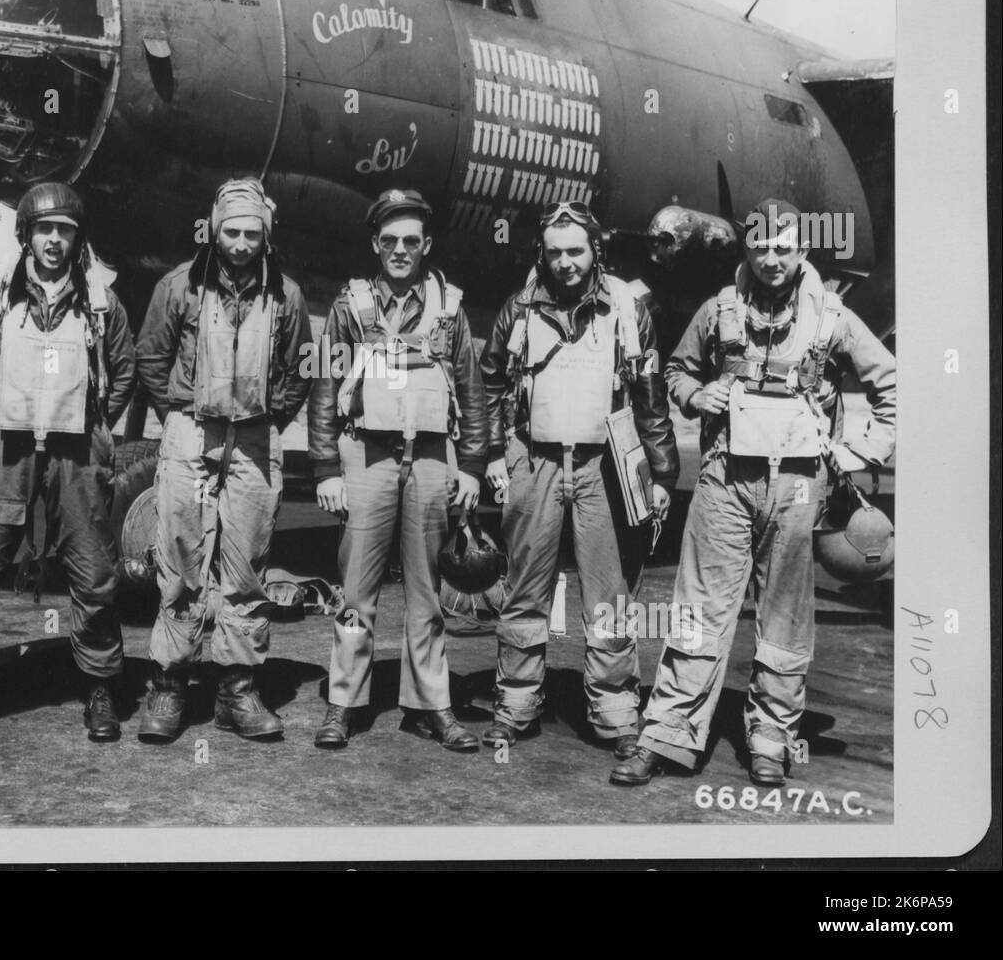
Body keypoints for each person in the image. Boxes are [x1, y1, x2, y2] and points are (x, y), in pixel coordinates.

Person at [610, 198, 896, 787]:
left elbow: (890, 381)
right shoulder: (719, 310)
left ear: (802, 250)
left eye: (783, 247)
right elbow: (675, 371)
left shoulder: (833, 318)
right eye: (760, 246)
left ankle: (771, 737)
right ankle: (665, 733)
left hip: (797, 488)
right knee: (697, 614)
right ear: (747, 247)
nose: (771, 258)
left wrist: (859, 452)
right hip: (723, 483)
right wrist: (696, 395)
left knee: (785, 620)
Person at [0, 182, 135, 743]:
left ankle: (98, 682)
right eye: (44, 229)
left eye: (65, 230)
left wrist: (93, 430)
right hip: (3, 443)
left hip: (76, 446)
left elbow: (122, 371)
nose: (54, 240)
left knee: (93, 573)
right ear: (27, 234)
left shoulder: (101, 302)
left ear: (77, 238)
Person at [481, 201, 678, 755]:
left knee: (609, 597)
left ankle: (615, 708)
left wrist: (662, 472)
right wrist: (494, 454)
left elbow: (649, 396)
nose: (566, 263)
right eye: (554, 252)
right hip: (535, 460)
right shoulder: (518, 308)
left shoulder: (626, 308)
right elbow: (491, 384)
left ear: (596, 251)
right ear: (540, 255)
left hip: (605, 468)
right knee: (525, 589)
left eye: (576, 250)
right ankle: (516, 701)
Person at [308, 188, 487, 751]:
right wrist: (324, 468)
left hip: (433, 458)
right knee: (356, 591)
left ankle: (430, 706)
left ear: (426, 245)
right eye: (390, 241)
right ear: (375, 245)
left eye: (412, 241)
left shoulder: (451, 308)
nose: (401, 250)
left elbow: (471, 390)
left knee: (426, 594)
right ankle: (344, 703)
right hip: (367, 456)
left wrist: (474, 466)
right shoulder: (350, 307)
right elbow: (324, 386)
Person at [134, 178, 313, 741]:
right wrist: (179, 415)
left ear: (266, 234)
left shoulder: (287, 294)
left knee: (247, 564)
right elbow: (150, 354)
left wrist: (271, 420)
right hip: (191, 432)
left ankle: (238, 688)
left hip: (256, 439)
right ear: (214, 228)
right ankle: (168, 686)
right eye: (231, 231)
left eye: (251, 233)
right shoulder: (178, 287)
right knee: (181, 555)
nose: (240, 243)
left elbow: (301, 366)